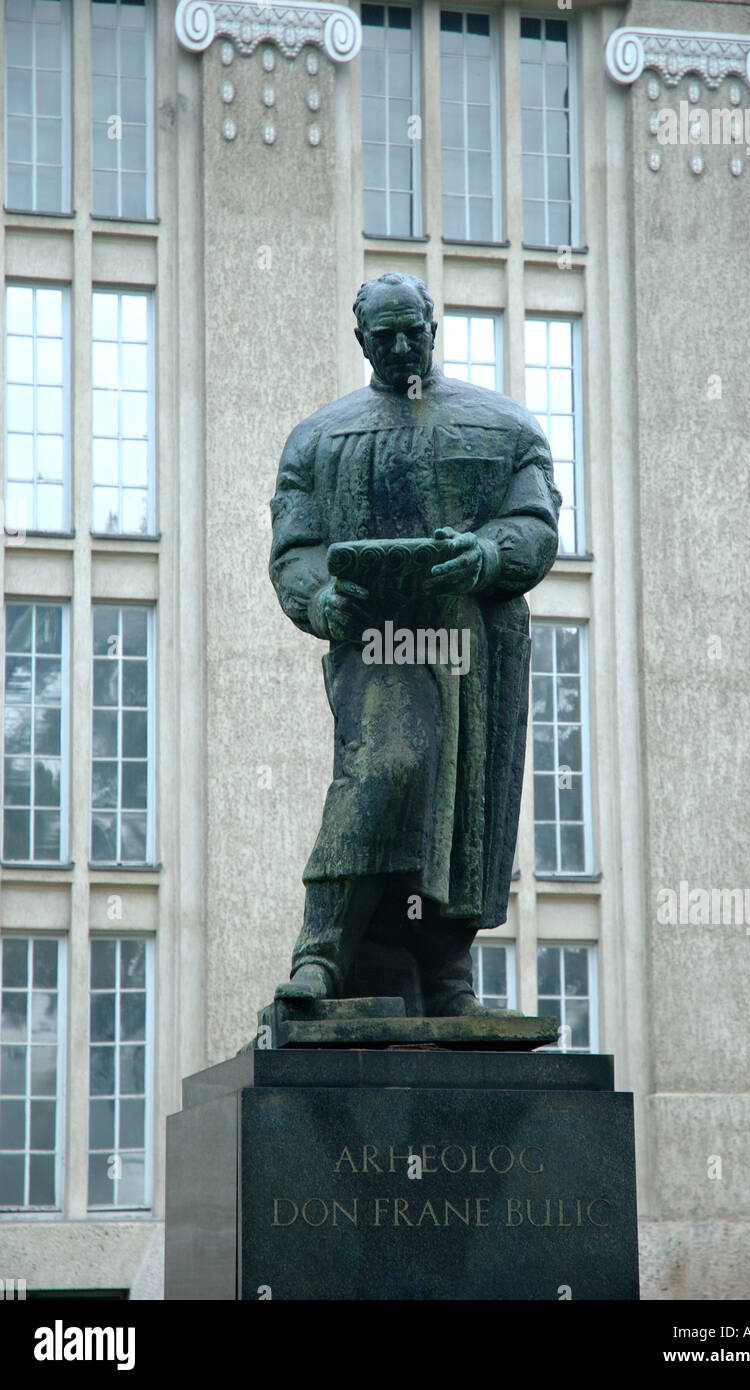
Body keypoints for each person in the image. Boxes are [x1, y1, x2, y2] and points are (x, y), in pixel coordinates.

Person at [269, 272, 560, 1015]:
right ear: (360, 337)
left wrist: (488, 556)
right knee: (387, 766)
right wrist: (323, 598)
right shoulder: (317, 436)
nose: (402, 346)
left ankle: (446, 979)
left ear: (436, 326)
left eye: (414, 330)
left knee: (462, 803)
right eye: (385, 334)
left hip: (472, 648)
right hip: (377, 640)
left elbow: (533, 526)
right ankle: (321, 952)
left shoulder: (506, 426)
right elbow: (296, 550)